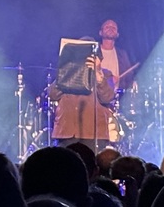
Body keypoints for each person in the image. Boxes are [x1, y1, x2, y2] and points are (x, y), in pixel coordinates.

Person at [48, 19, 133, 150]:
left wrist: (99, 74)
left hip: (93, 133)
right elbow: (52, 94)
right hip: (67, 131)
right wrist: (65, 71)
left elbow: (108, 97)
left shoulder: (105, 74)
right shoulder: (66, 73)